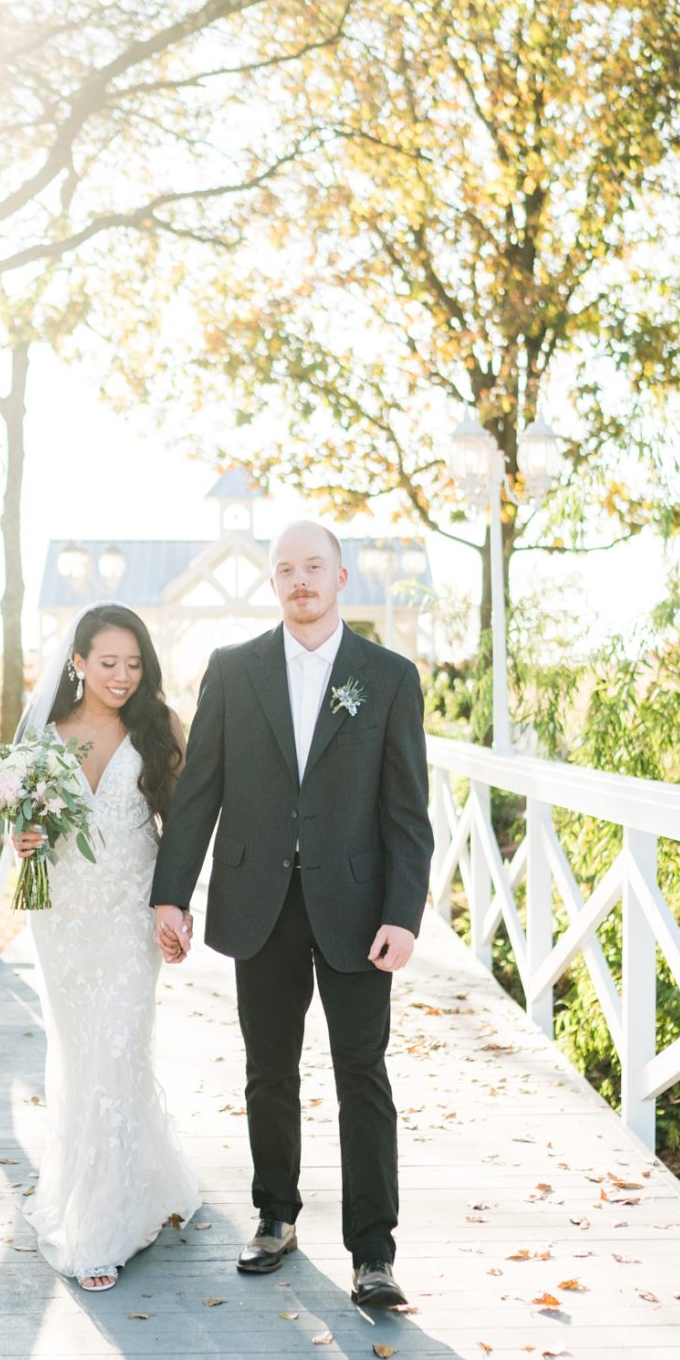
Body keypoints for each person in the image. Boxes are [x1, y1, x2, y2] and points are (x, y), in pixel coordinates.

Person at [151, 521, 433, 1309]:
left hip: (356, 909)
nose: (298, 580)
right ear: (272, 584)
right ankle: (274, 1216)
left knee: (362, 1076)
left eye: (313, 567)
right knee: (267, 1072)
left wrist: (403, 914)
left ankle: (373, 1252)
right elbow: (197, 789)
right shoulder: (233, 671)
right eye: (284, 570)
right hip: (258, 904)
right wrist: (170, 892)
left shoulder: (387, 676)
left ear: (342, 578)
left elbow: (407, 810)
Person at [13, 604, 199, 1293]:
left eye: (133, 663)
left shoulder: (158, 729)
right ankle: (133, 1185)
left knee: (117, 1050)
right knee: (80, 1054)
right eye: (108, 662)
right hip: (61, 918)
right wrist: (20, 840)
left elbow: (184, 823)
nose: (122, 676)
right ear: (78, 663)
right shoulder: (45, 736)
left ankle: (101, 1228)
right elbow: (23, 825)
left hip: (128, 913)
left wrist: (174, 905)